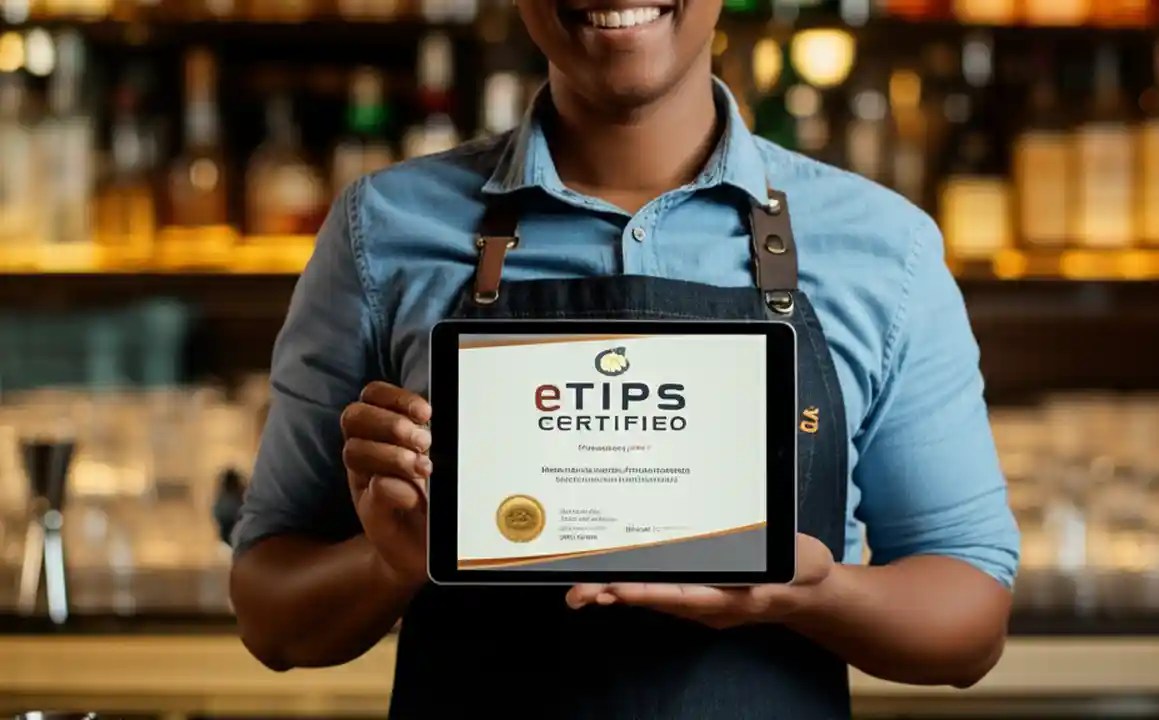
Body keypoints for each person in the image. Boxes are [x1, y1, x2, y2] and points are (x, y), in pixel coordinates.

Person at [229, 0, 1021, 716]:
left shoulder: (883, 245)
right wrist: (390, 563)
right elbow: (270, 614)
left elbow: (972, 621)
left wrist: (814, 596)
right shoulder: (383, 229)